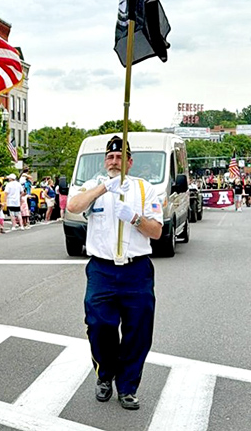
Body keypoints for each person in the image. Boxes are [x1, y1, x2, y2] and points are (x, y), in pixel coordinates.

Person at [66, 136, 163, 411]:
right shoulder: (92, 186)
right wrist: (101, 190)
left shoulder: (145, 189)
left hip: (136, 270)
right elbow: (73, 206)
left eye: (120, 157)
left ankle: (128, 387)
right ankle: (105, 375)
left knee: (138, 331)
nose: (114, 161)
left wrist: (134, 217)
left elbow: (155, 231)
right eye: (110, 157)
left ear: (129, 162)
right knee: (99, 326)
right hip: (102, 269)